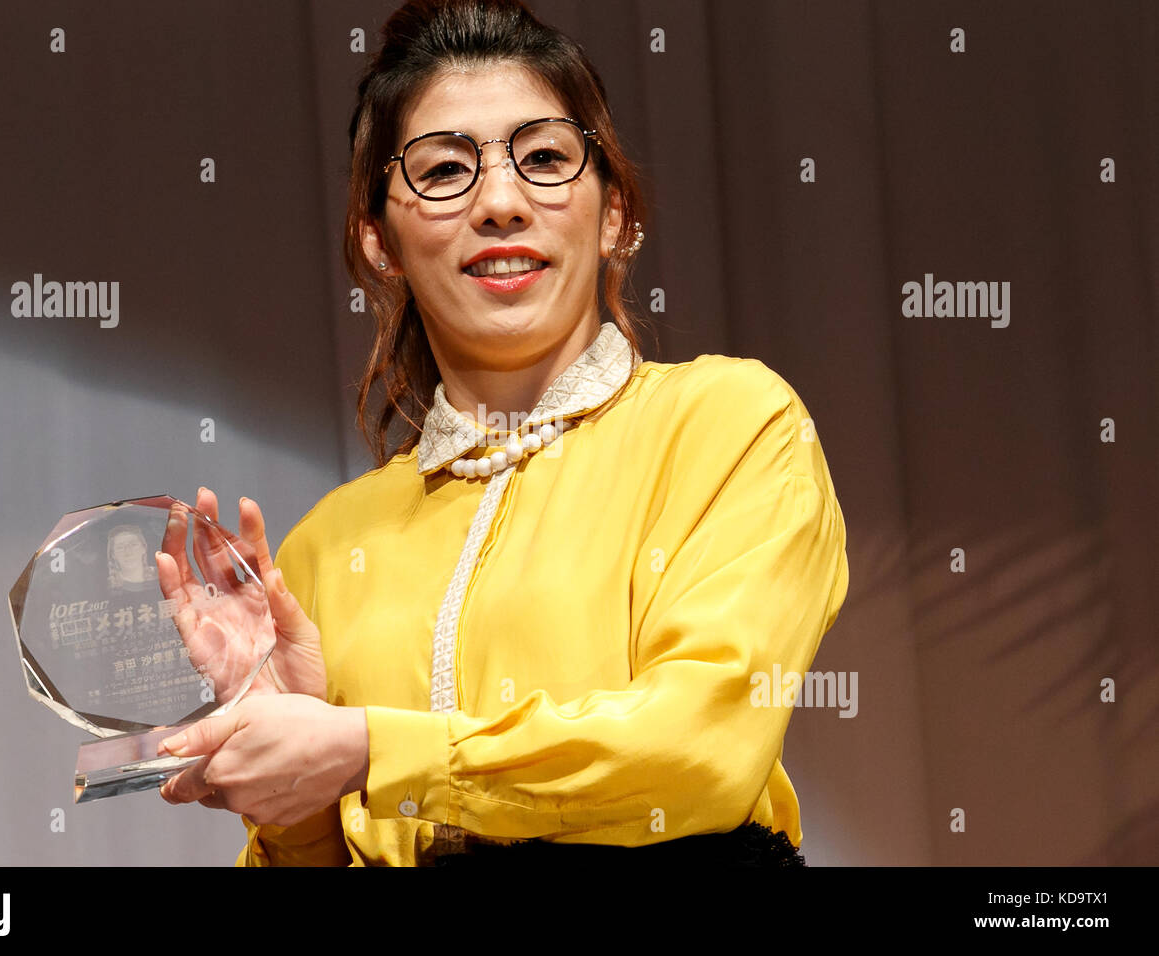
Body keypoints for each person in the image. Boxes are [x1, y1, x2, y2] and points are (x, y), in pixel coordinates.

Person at [155, 0, 849, 867]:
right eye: (445, 170)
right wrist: (296, 804)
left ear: (615, 213)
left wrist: (373, 749)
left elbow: (696, 751)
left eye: (545, 158)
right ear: (378, 241)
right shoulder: (329, 546)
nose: (500, 203)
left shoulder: (730, 425)